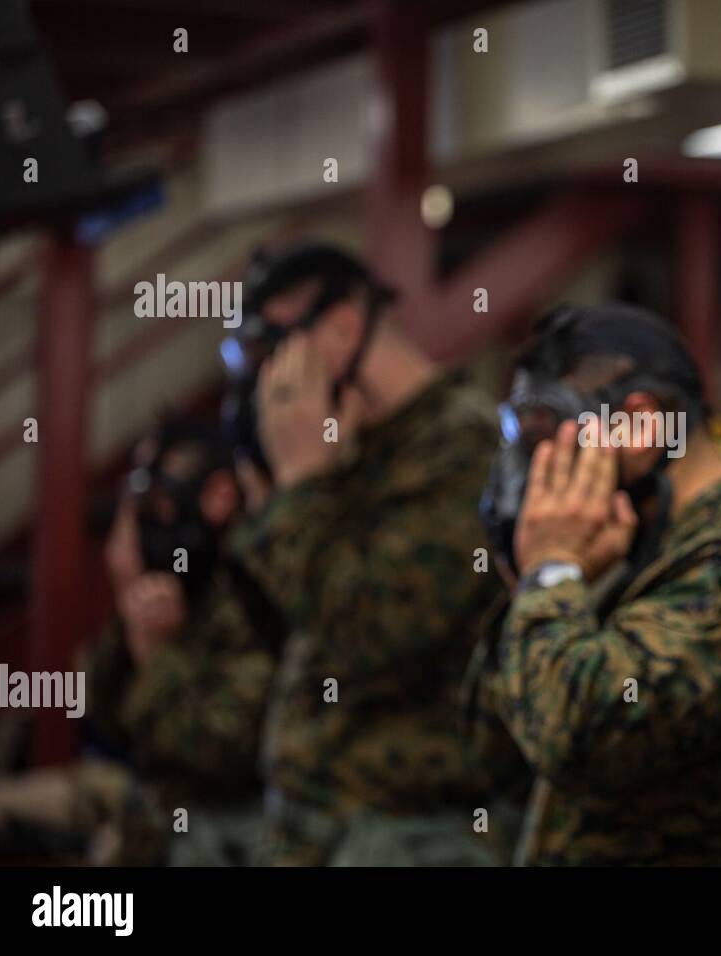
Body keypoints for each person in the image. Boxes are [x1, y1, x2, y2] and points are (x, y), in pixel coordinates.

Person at [466, 303, 721, 865]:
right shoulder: (629, 554)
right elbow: (499, 761)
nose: (527, 464)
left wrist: (550, 574)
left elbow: (577, 739)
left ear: (641, 426)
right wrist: (538, 583)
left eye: (542, 432)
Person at [223, 242, 506, 865]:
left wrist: (300, 486)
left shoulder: (463, 448)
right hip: (316, 822)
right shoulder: (349, 450)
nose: (267, 377)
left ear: (344, 328)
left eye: (275, 347)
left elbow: (376, 630)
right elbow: (285, 632)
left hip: (414, 830)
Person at [0, 418, 280, 866]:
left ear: (216, 497)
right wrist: (127, 612)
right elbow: (108, 721)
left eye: (157, 507)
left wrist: (156, 656)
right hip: (145, 800)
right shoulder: (183, 583)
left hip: (223, 826)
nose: (149, 525)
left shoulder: (254, 594)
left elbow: (214, 757)